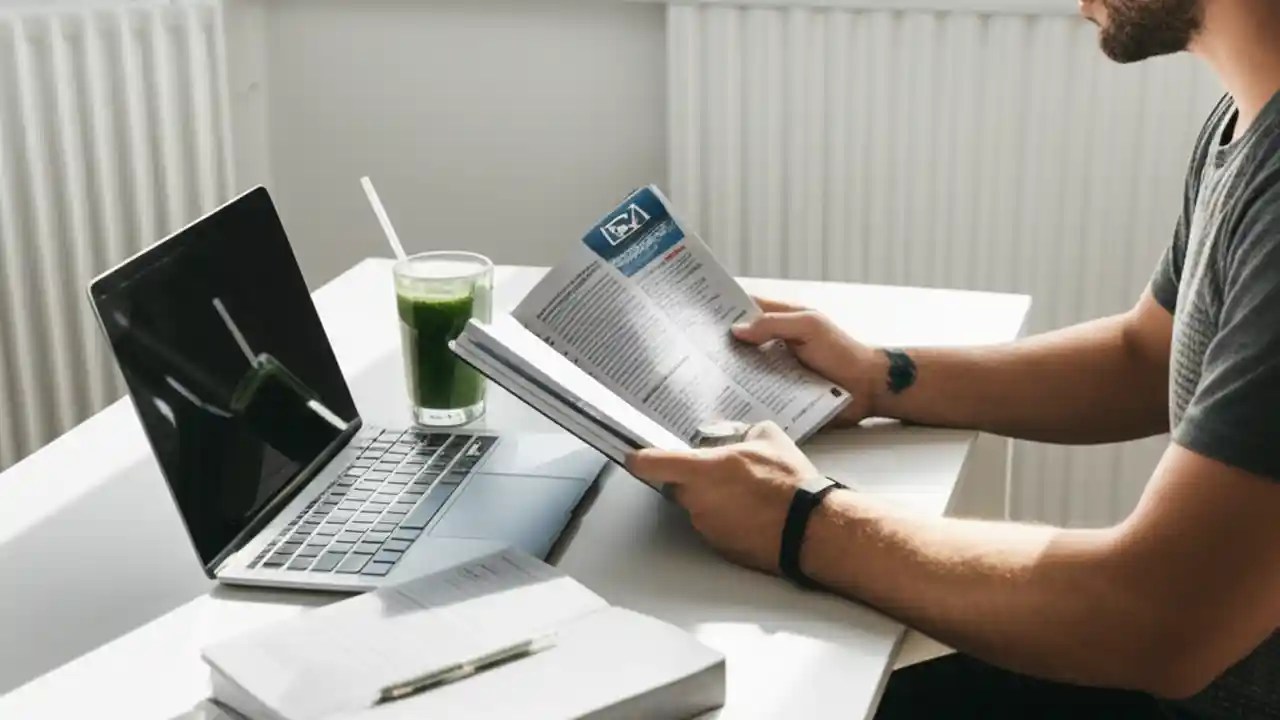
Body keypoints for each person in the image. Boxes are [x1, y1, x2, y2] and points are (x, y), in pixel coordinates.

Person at [626, 0, 1280, 716]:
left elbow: (1160, 618)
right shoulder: (1247, 118)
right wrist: (881, 377)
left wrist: (799, 519)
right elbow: (1147, 354)